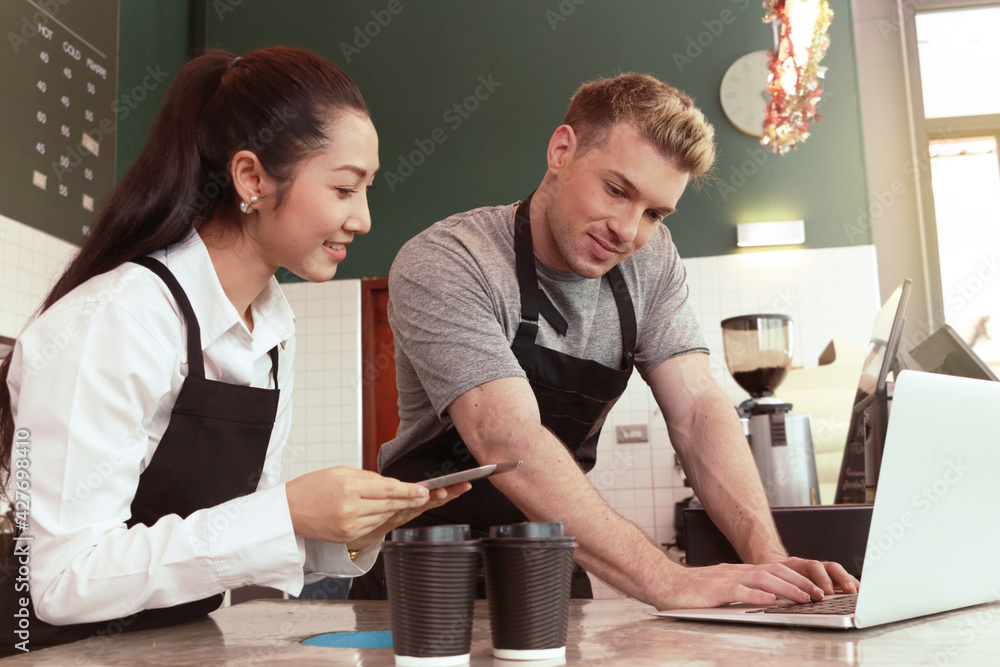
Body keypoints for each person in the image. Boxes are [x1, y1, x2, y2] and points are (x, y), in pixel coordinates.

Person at [0, 46, 467, 655]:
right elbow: (61, 580)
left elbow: (236, 535)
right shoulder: (116, 318)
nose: (364, 219)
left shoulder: (272, 331)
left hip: (178, 648)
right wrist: (286, 512)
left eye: (366, 190)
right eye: (344, 188)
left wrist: (353, 526)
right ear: (251, 179)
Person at [350, 73, 859, 607]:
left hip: (549, 561)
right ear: (562, 151)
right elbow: (505, 436)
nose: (628, 230)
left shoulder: (651, 260)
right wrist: (668, 579)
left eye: (654, 213)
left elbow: (697, 412)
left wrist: (768, 558)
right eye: (617, 190)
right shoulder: (451, 259)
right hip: (422, 569)